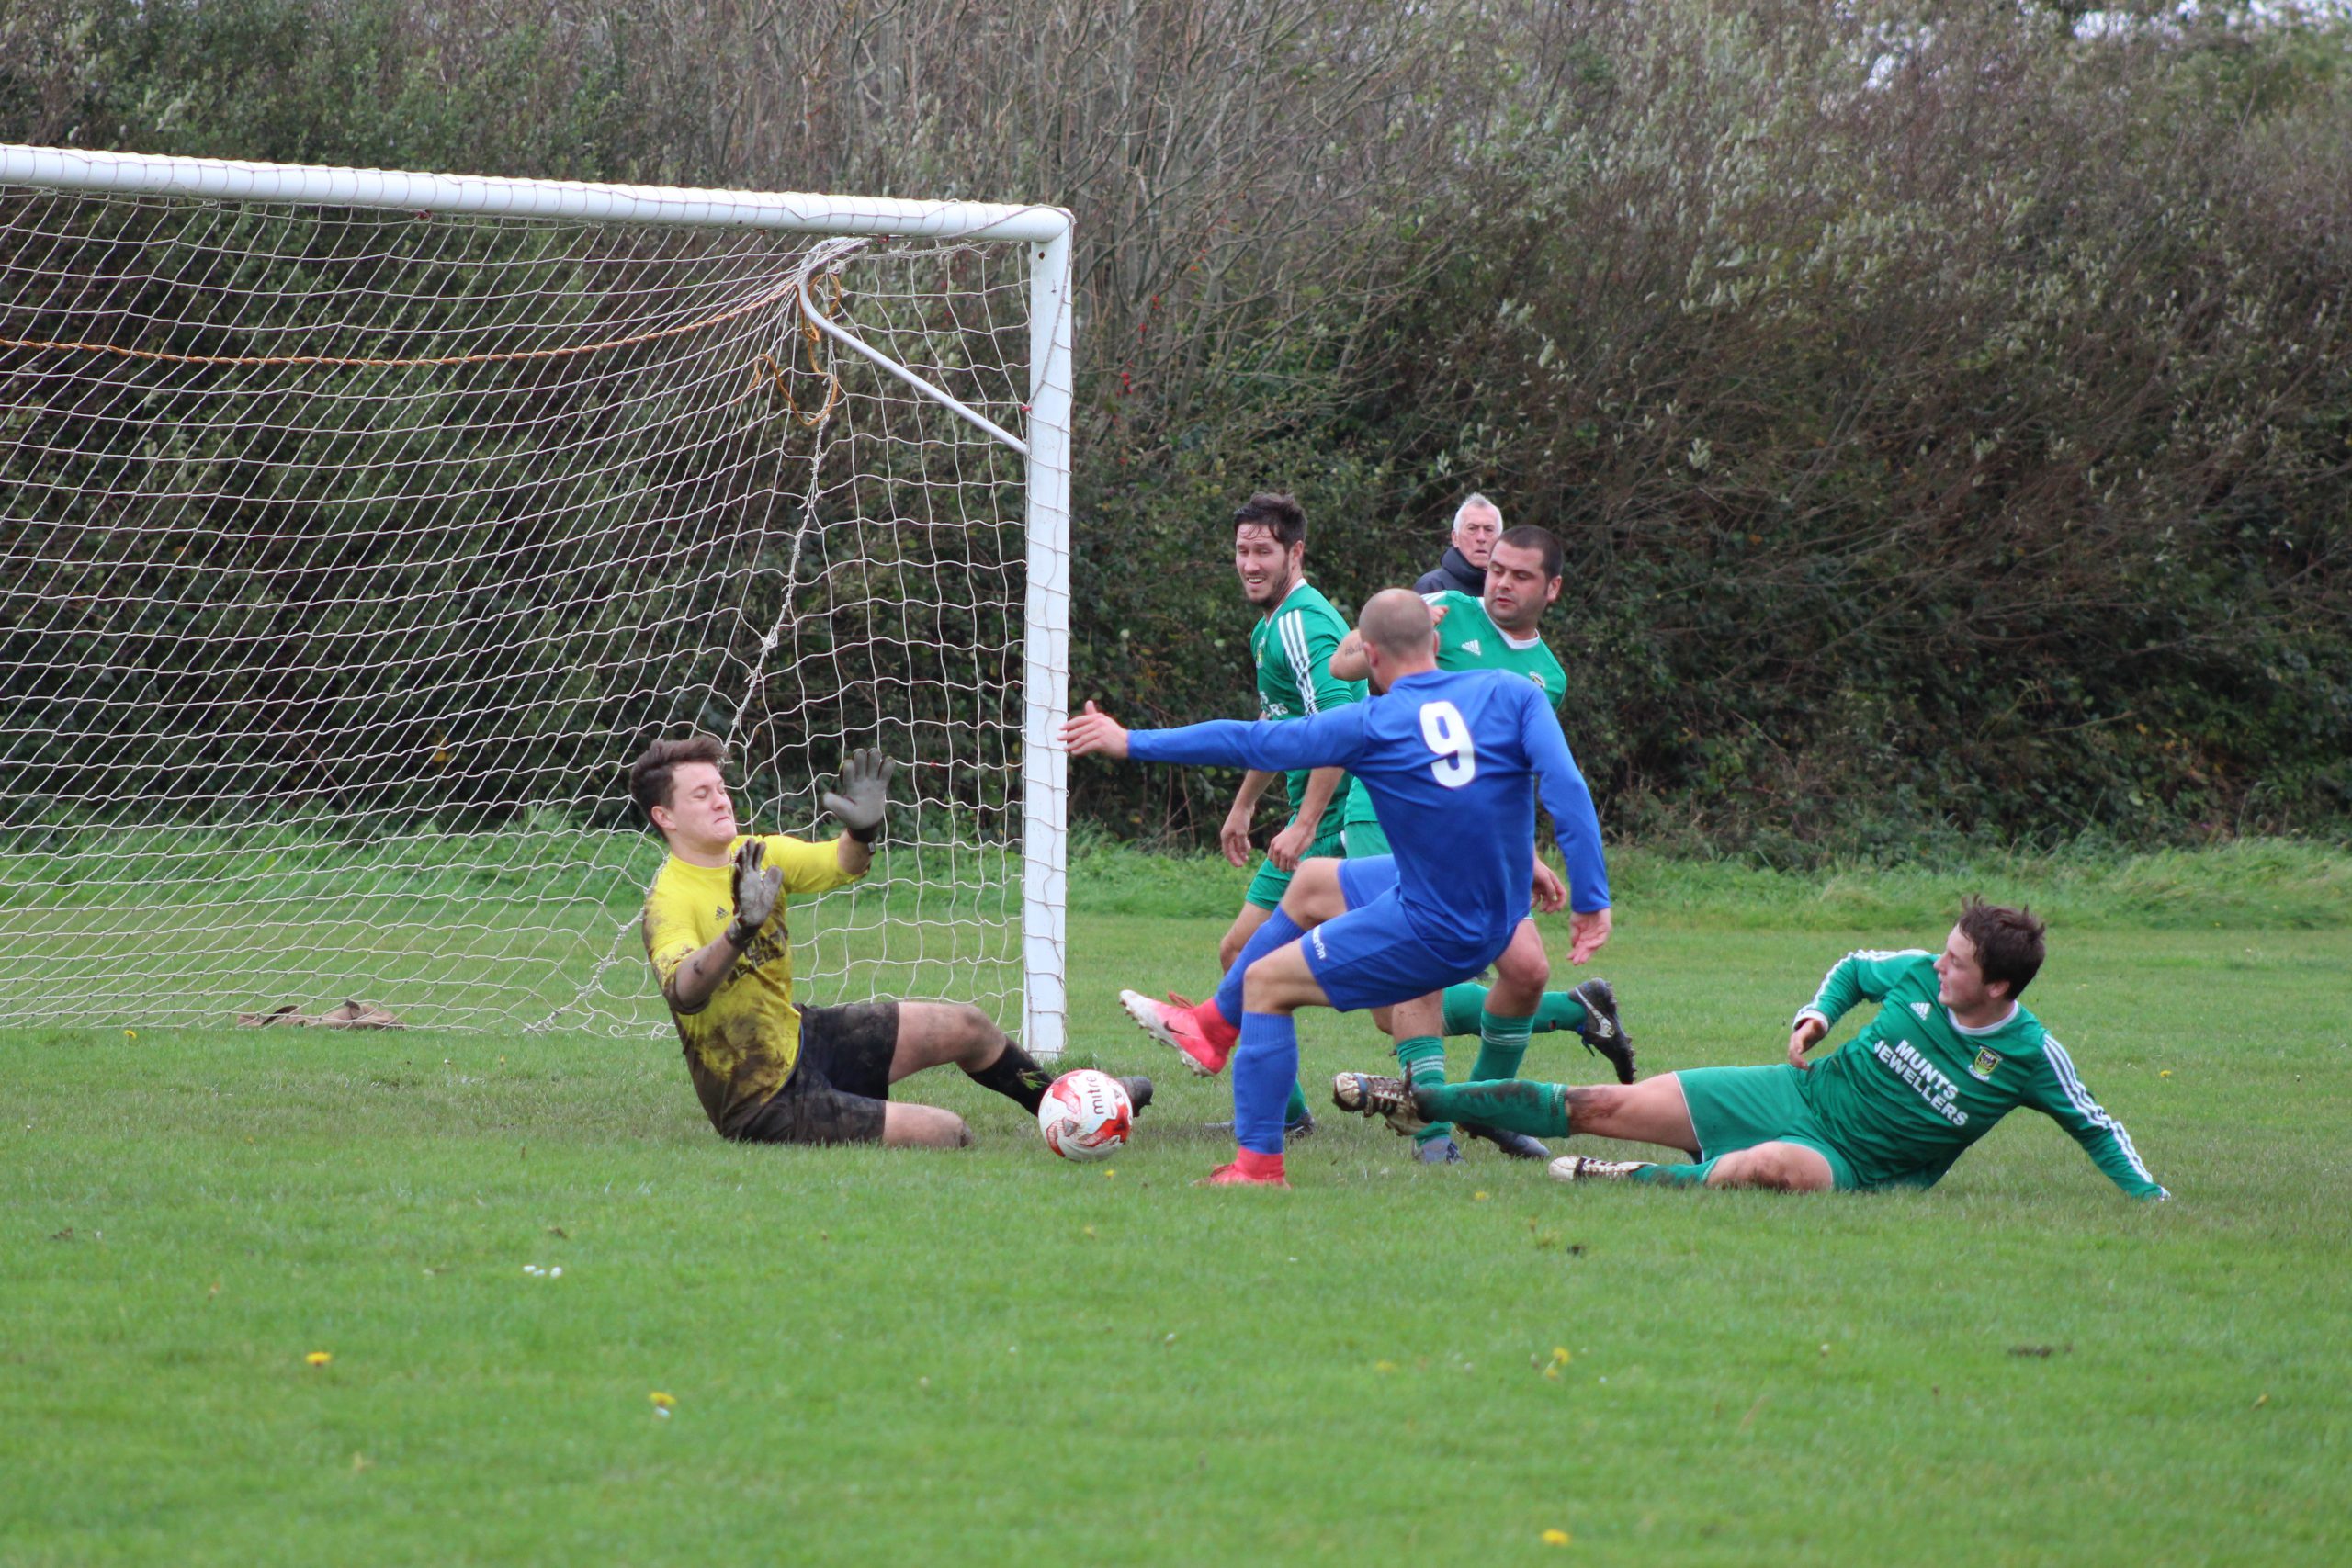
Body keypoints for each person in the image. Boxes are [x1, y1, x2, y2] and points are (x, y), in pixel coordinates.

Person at [1065, 588, 1611, 1187]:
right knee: (1313, 881)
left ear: (1371, 658)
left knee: (1264, 983)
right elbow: (1563, 788)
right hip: (1497, 907)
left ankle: (1258, 1166)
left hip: (1439, 923)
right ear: (1435, 642)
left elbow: (1253, 740)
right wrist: (1589, 897)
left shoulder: (1370, 723)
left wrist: (1130, 740)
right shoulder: (1512, 692)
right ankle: (1212, 1029)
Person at [1332, 901, 2166, 1200]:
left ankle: (1628, 1181)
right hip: (1789, 1092)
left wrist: (2153, 1200)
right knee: (1600, 1104)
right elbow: (1850, 971)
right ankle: (1411, 1098)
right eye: (1944, 952)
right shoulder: (1917, 974)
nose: (1938, 964)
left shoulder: (2027, 1054)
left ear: (1998, 989)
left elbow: (2096, 1125)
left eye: (1957, 963)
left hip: (1851, 1162)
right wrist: (1816, 1015)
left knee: (1775, 1169)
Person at [631, 734, 1149, 1148]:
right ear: (665, 816)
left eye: (721, 787)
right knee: (948, 1131)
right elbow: (685, 991)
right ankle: (1074, 1111)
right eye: (702, 795)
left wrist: (862, 833)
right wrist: (740, 928)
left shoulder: (759, 853)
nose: (721, 800)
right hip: (761, 1099)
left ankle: (1062, 1104)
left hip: (803, 1040)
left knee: (968, 1026)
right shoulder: (667, 902)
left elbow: (843, 863)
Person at [1331, 524, 1634, 1163]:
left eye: (1519, 575)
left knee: (1524, 970)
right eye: (1496, 568)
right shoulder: (1444, 613)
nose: (1500, 582)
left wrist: (1523, 855)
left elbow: (1508, 775)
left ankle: (1487, 1105)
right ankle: (1435, 1134)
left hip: (1475, 839)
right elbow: (1345, 664)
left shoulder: (1545, 676)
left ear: (1552, 589)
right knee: (1409, 992)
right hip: (1390, 819)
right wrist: (1380, 638)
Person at [1208, 491, 1365, 1139]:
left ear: (1294, 553)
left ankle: (1285, 1113)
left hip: (1341, 816)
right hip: (1317, 813)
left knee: (1391, 990)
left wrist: (1304, 823)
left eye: (1263, 550)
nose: (1249, 563)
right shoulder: (1269, 626)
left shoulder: (1306, 622)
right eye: (1242, 550)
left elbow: (1337, 730)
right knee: (1241, 952)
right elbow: (1279, 728)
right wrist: (1244, 804)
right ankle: (1287, 1111)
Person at [1412, 493, 1504, 597]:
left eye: (1488, 529)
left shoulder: (1507, 588)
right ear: (1455, 538)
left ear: (1500, 539)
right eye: (1472, 529)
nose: (1481, 538)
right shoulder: (1433, 585)